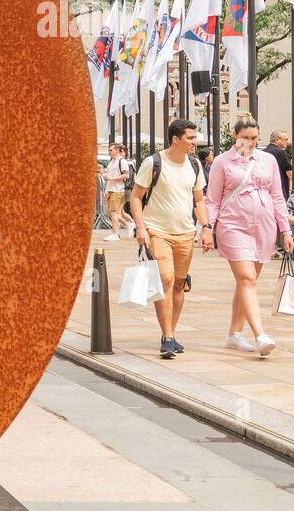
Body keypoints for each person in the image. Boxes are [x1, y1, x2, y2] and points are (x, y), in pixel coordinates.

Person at [207, 114, 293, 356]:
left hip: (263, 226)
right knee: (246, 279)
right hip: (233, 224)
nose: (251, 142)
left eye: (254, 138)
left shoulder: (268, 160)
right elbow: (212, 199)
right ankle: (259, 334)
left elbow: (278, 197)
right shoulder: (223, 162)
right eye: (246, 137)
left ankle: (234, 334)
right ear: (236, 136)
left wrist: (285, 230)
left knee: (247, 281)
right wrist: (206, 228)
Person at [129, 119, 212, 359]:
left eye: (195, 138)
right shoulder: (153, 162)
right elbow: (136, 197)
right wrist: (141, 228)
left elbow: (199, 200)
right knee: (164, 280)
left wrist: (206, 228)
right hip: (157, 230)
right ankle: (166, 336)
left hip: (185, 232)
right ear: (176, 139)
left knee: (178, 283)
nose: (195, 142)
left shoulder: (194, 165)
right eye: (190, 138)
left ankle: (172, 333)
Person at [102, 144, 133, 241]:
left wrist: (112, 178)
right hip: (111, 189)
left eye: (111, 150)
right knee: (110, 213)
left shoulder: (122, 161)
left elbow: (126, 176)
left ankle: (115, 234)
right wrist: (106, 190)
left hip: (118, 190)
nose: (109, 152)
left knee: (113, 212)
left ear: (116, 150)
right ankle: (128, 224)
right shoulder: (111, 162)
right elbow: (108, 177)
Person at [263, 131, 293, 202]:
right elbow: (290, 174)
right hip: (280, 191)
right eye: (285, 139)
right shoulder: (281, 153)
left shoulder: (262, 152)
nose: (287, 142)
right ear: (276, 140)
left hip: (265, 192)